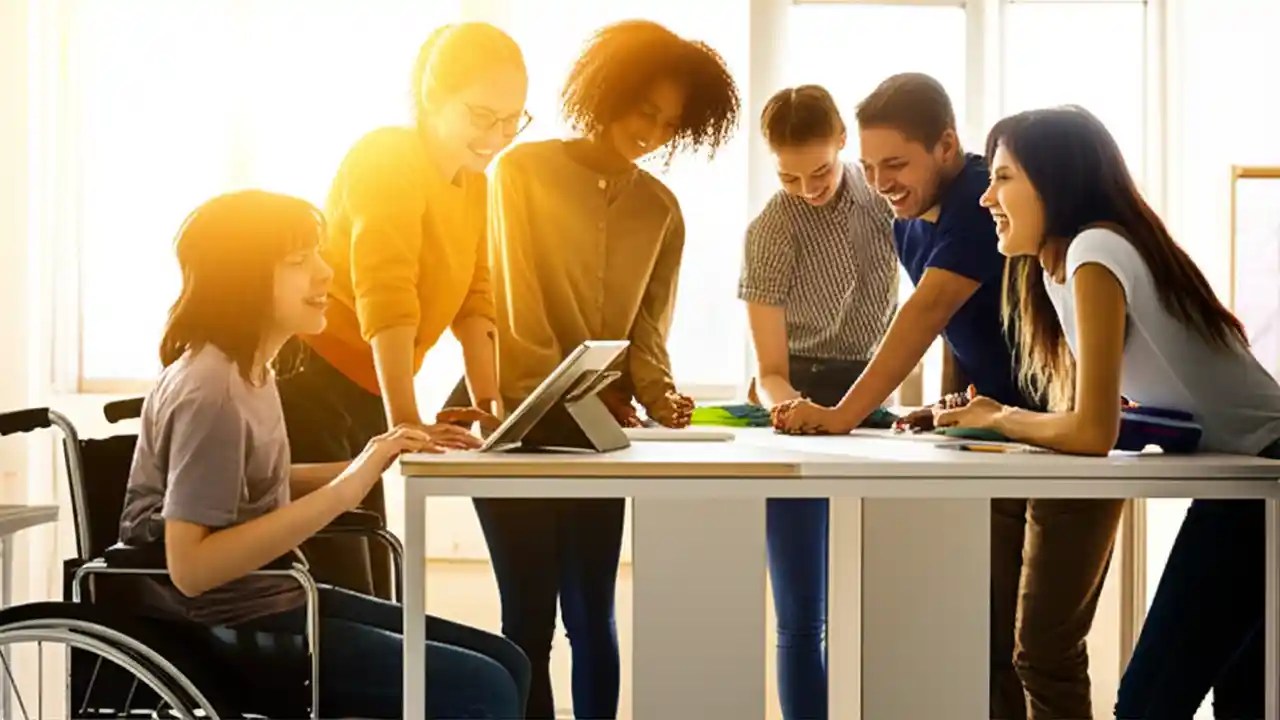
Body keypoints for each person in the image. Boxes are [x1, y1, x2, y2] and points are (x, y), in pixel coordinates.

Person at [771, 74, 1124, 719]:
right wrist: (946, 409)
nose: (880, 182)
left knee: (1044, 654)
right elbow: (959, 326)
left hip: (1064, 433)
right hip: (1000, 437)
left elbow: (929, 310)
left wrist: (841, 415)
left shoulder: (982, 200)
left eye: (896, 164)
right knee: (989, 646)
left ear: (946, 146)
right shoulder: (908, 222)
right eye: (869, 167)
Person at [117, 190, 530, 719]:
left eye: (317, 254)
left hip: (273, 599)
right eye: (299, 261)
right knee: (485, 686)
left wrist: (372, 460)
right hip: (227, 626)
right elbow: (192, 568)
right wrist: (344, 490)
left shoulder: (250, 369)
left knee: (509, 662)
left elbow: (243, 487)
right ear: (242, 280)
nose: (325, 273)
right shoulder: (213, 389)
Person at [937, 105, 1280, 720]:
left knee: (1152, 702)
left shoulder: (1095, 250)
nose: (986, 197)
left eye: (1004, 177)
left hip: (1264, 482)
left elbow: (1092, 430)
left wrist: (997, 416)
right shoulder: (1060, 269)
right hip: (1251, 483)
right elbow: (1104, 414)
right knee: (1241, 700)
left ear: (1055, 181)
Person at [468, 19, 740, 719]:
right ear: (607, 91)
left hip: (595, 422)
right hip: (511, 416)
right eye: (644, 110)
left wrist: (660, 396)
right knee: (527, 617)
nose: (651, 132)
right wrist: (564, 404)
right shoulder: (520, 173)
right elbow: (516, 310)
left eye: (669, 124)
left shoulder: (662, 210)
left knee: (592, 613)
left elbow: (647, 332)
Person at [276, 22, 529, 599]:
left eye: (512, 119)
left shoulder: (474, 185)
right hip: (311, 380)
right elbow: (386, 295)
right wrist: (407, 423)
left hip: (367, 387)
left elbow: (477, 298)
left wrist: (492, 409)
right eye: (482, 115)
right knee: (342, 587)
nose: (497, 136)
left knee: (373, 582)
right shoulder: (388, 157)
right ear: (433, 98)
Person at [737, 84, 897, 720]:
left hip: (874, 397)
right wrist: (794, 412)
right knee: (803, 614)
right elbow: (769, 373)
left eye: (821, 171)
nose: (807, 189)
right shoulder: (772, 229)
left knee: (893, 600)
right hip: (795, 403)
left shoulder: (886, 202)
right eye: (788, 176)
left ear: (843, 142)